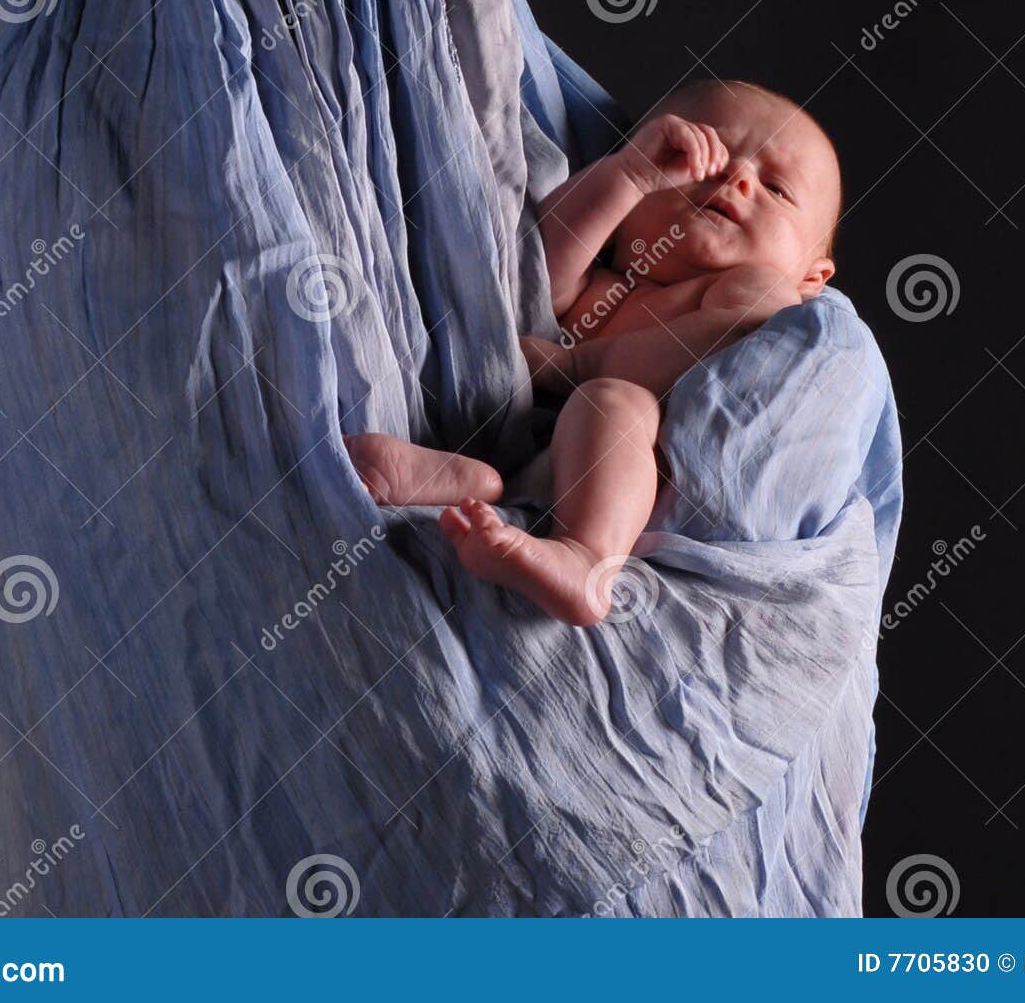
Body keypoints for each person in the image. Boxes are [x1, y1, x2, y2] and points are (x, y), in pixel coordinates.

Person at [346, 79, 842, 622]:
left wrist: (574, 365)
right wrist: (628, 176)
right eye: (706, 154)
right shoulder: (611, 284)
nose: (736, 178)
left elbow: (727, 335)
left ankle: (587, 561)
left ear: (811, 277)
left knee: (615, 403)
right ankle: (473, 490)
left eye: (776, 189)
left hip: (634, 483)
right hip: (538, 463)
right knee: (495, 470)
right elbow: (534, 275)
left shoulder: (756, 289)